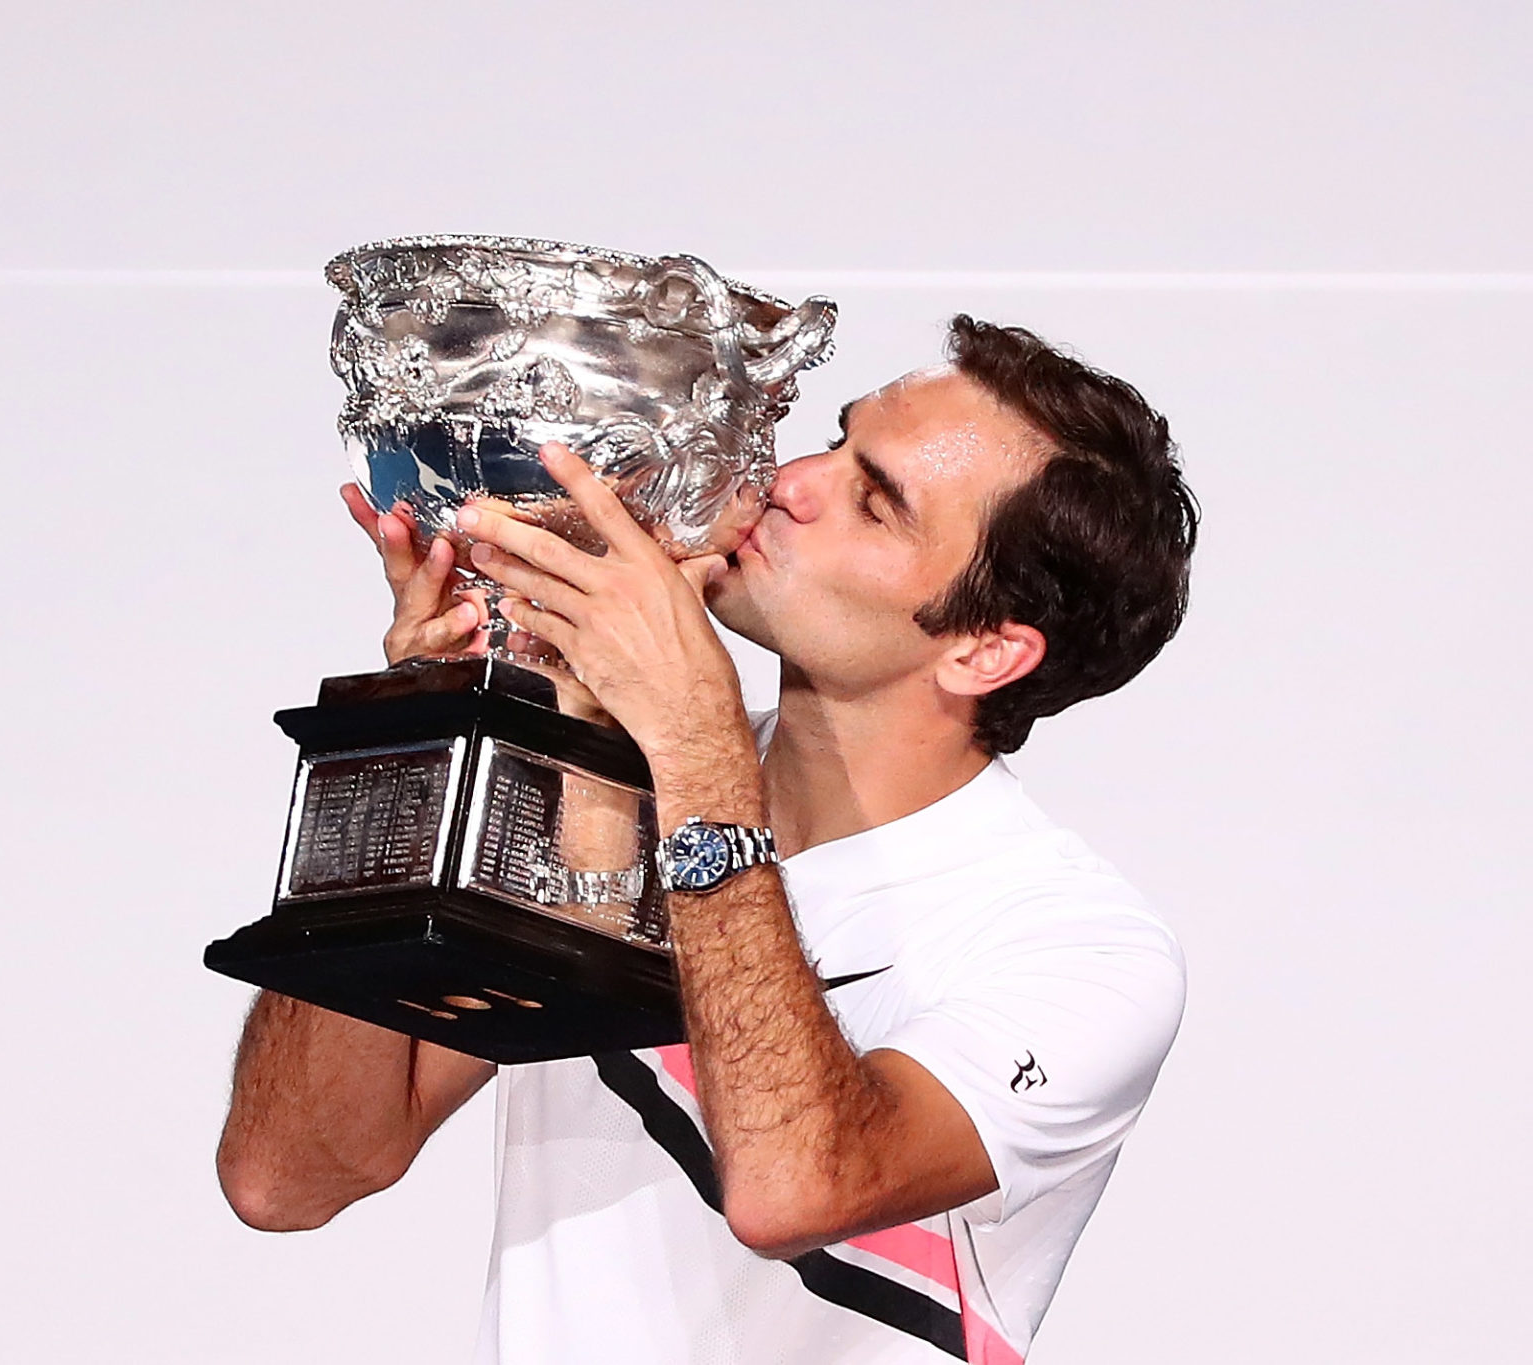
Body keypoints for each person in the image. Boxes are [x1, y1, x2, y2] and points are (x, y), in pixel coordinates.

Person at [216, 315, 1198, 1364]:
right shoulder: (607, 779)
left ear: (984, 652)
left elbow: (792, 1189)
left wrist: (692, 744)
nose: (791, 481)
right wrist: (423, 725)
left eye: (874, 502)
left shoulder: (1080, 952)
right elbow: (289, 1175)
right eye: (835, 440)